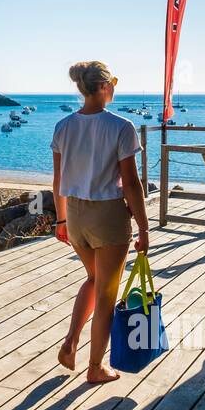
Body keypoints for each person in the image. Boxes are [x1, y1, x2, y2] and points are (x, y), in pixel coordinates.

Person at [52, 61, 150, 383]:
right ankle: (96, 368)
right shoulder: (121, 127)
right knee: (107, 292)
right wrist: (145, 227)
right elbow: (131, 183)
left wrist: (61, 219)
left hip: (76, 214)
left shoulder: (64, 126)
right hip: (107, 215)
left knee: (94, 278)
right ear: (105, 86)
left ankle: (71, 342)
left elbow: (57, 181)